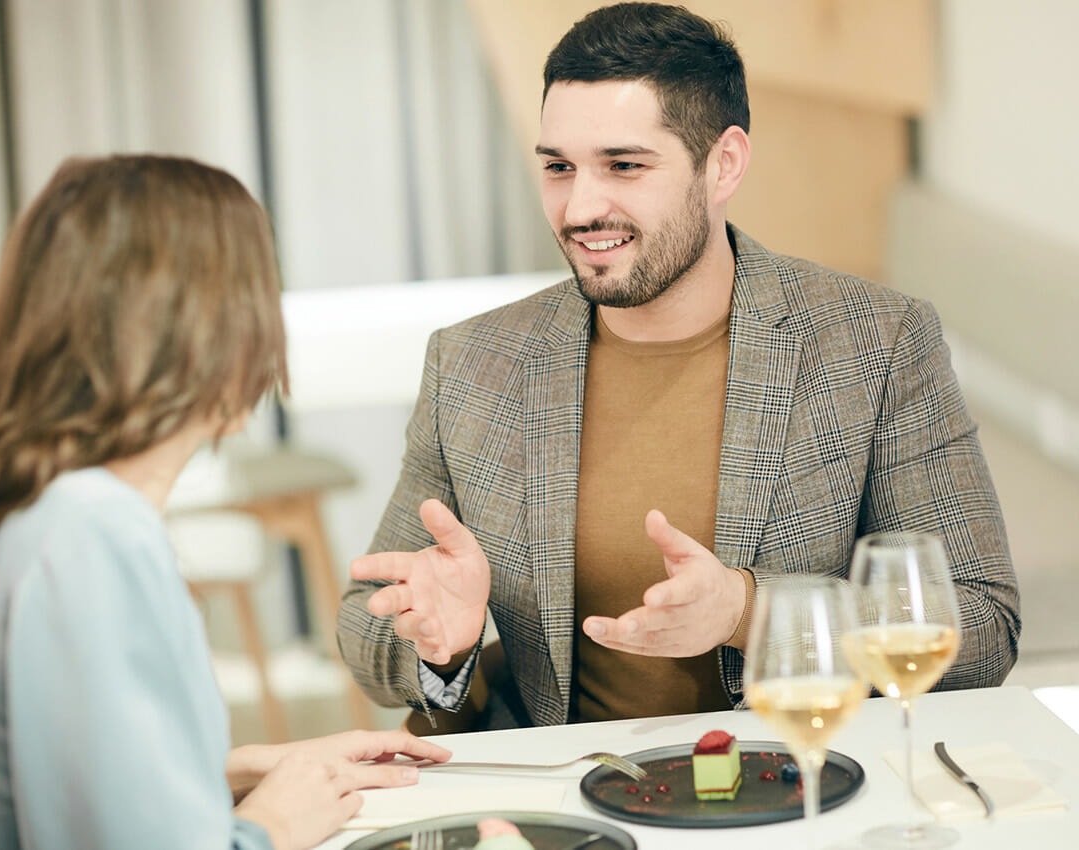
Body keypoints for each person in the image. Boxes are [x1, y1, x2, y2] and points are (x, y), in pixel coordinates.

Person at [337, 2, 1021, 730]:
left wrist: (747, 612)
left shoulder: (876, 343)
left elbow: (981, 628)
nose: (580, 207)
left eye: (624, 165)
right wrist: (442, 645)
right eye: (559, 167)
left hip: (808, 772)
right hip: (571, 787)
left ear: (723, 164)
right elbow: (365, 625)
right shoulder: (474, 363)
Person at [0, 155, 452, 850]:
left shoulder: (16, 502)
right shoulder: (94, 530)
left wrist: (237, 772)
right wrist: (274, 825)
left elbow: (46, 782)